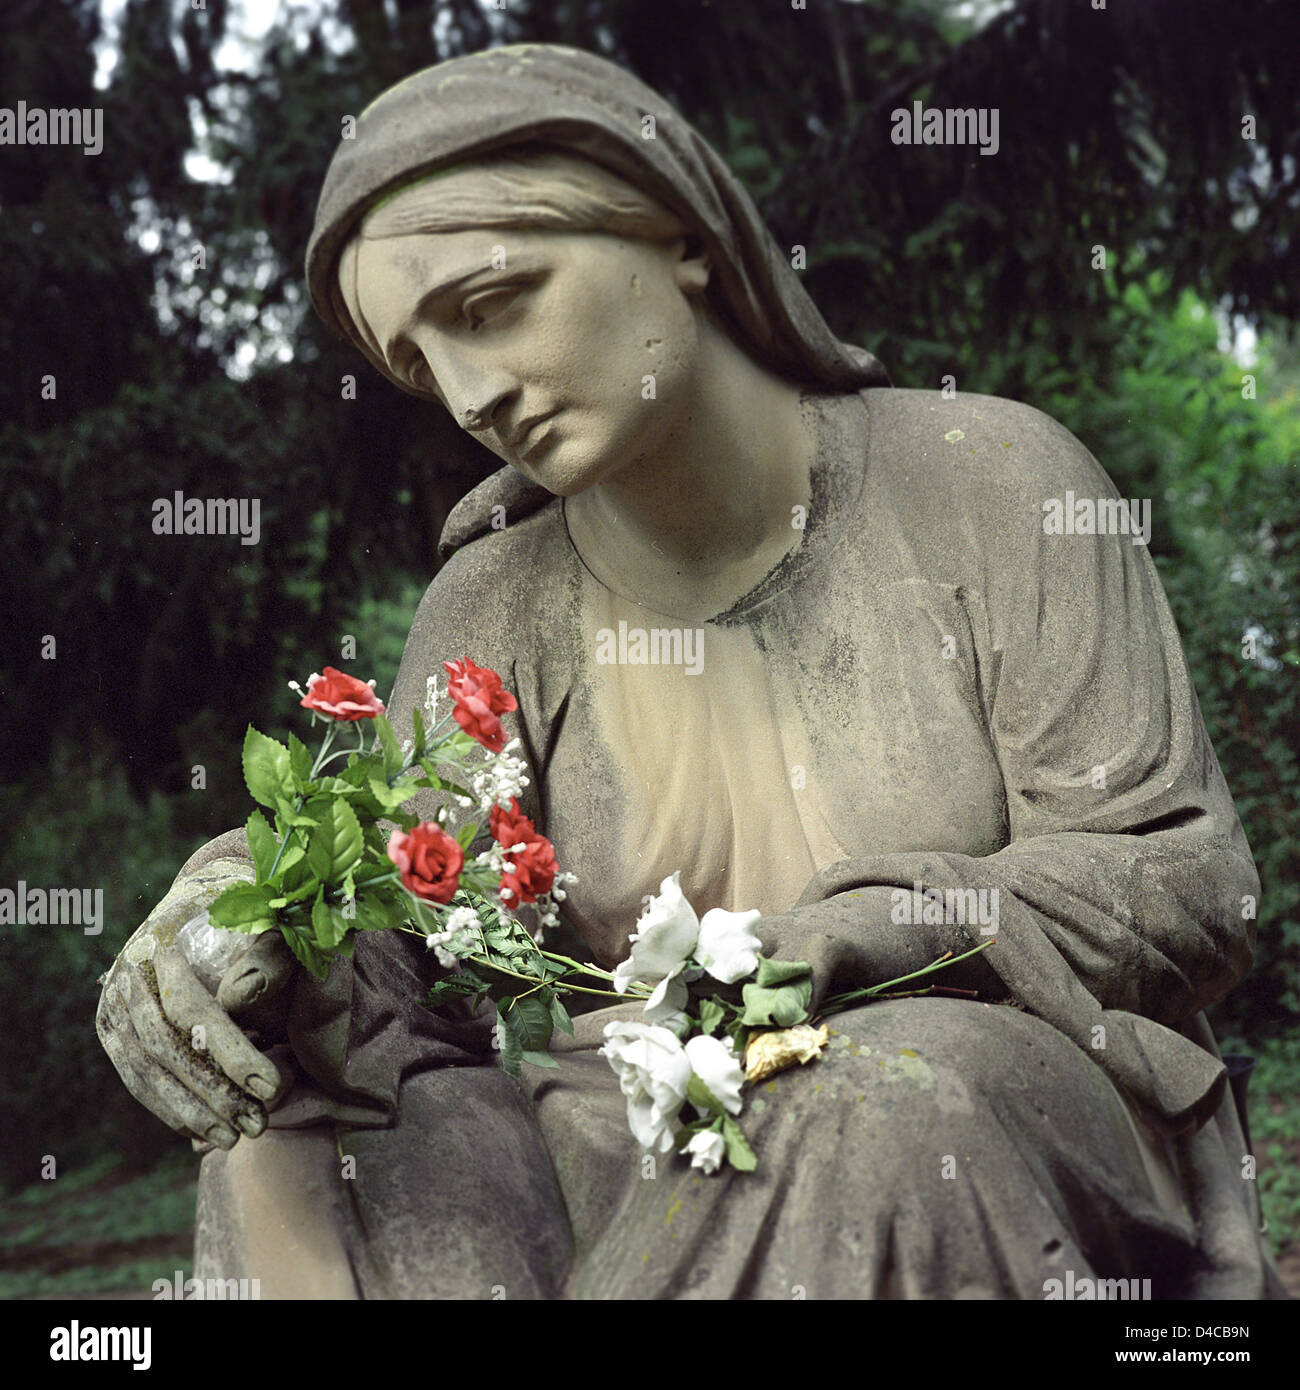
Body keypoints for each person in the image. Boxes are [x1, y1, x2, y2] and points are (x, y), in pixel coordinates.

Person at [95, 43, 1287, 1299]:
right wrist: (255, 918)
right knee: (322, 1154)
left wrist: (855, 933)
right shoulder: (492, 603)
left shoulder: (991, 484)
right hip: (625, 1122)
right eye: (417, 361)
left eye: (491, 303)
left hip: (980, 1097)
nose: (469, 394)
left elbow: (1183, 878)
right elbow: (408, 952)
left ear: (678, 232)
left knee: (854, 1111)